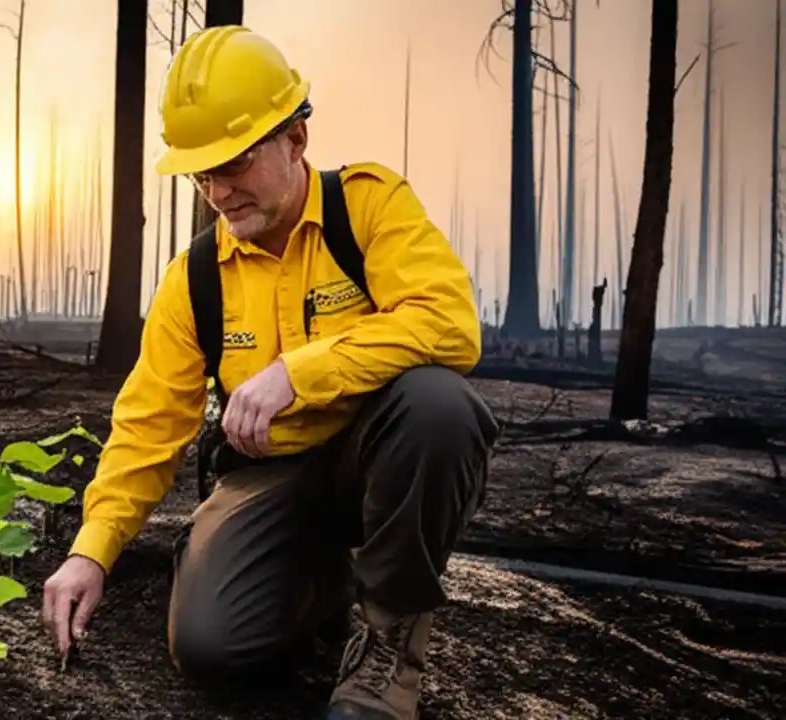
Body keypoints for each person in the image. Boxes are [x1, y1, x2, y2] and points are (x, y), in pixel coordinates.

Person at [41, 25, 499, 720]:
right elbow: (148, 424)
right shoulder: (194, 278)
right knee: (207, 646)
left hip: (374, 461)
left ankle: (385, 660)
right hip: (268, 475)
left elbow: (450, 322)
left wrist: (300, 372)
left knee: (440, 408)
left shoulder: (369, 209)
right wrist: (92, 553)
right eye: (203, 174)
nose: (219, 192)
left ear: (295, 139)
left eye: (236, 162)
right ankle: (323, 582)